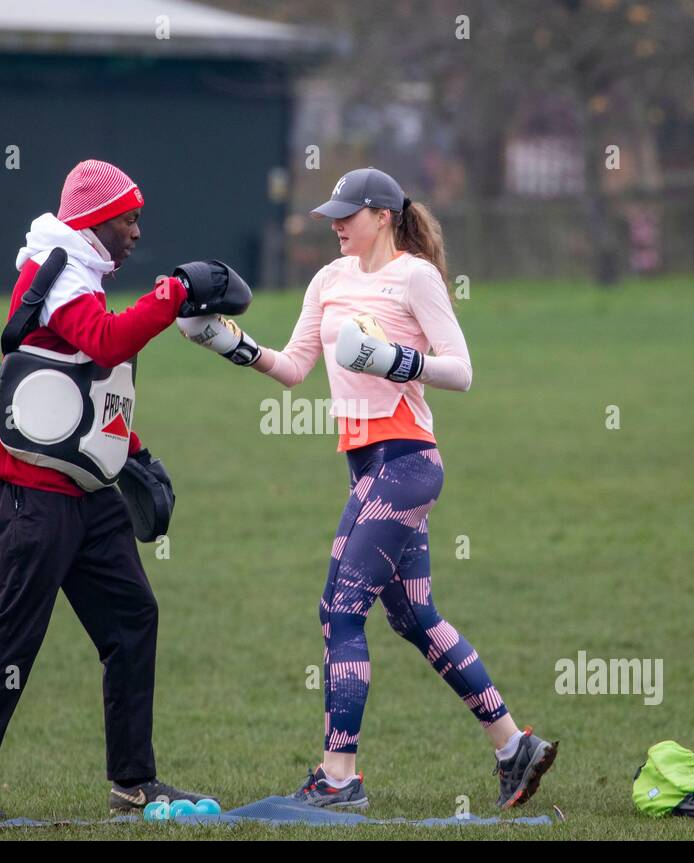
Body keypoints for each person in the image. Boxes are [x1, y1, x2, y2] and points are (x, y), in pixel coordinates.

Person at [177, 168, 558, 811]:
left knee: (339, 610)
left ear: (383, 215)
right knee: (413, 616)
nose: (335, 224)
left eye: (347, 214)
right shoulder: (328, 280)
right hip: (367, 465)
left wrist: (391, 361)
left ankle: (339, 777)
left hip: (405, 463)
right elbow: (295, 368)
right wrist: (227, 344)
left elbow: (460, 371)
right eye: (332, 214)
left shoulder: (416, 276)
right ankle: (514, 746)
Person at [0, 159, 220, 819]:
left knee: (133, 617)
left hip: (85, 489)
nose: (137, 231)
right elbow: (106, 343)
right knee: (15, 635)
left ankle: (134, 782)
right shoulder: (55, 268)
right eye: (129, 219)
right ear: (95, 220)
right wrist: (173, 294)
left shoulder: (77, 269)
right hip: (33, 490)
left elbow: (82, 378)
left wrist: (132, 452)